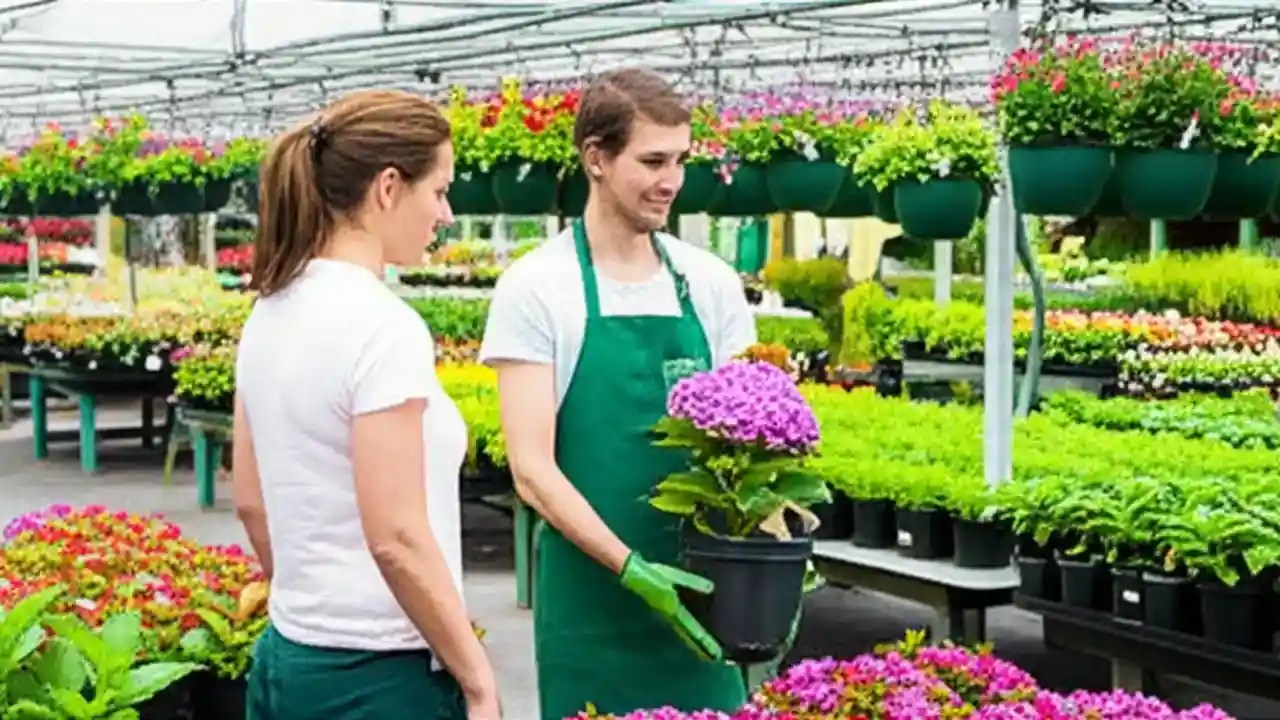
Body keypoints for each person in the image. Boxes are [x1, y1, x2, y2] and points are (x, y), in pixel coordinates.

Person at [479, 68, 758, 719]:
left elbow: (750, 449)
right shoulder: (539, 288)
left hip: (704, 599)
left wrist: (775, 559)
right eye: (653, 160)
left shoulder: (709, 284)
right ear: (596, 159)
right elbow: (532, 469)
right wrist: (631, 569)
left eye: (682, 160)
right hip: (591, 605)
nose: (672, 180)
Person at [232, 89, 501, 720]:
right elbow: (397, 536)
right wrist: (478, 680)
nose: (446, 213)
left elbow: (251, 500)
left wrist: (309, 604)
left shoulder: (269, 311)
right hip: (379, 676)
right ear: (387, 187)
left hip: (289, 658)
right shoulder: (383, 326)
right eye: (438, 190)